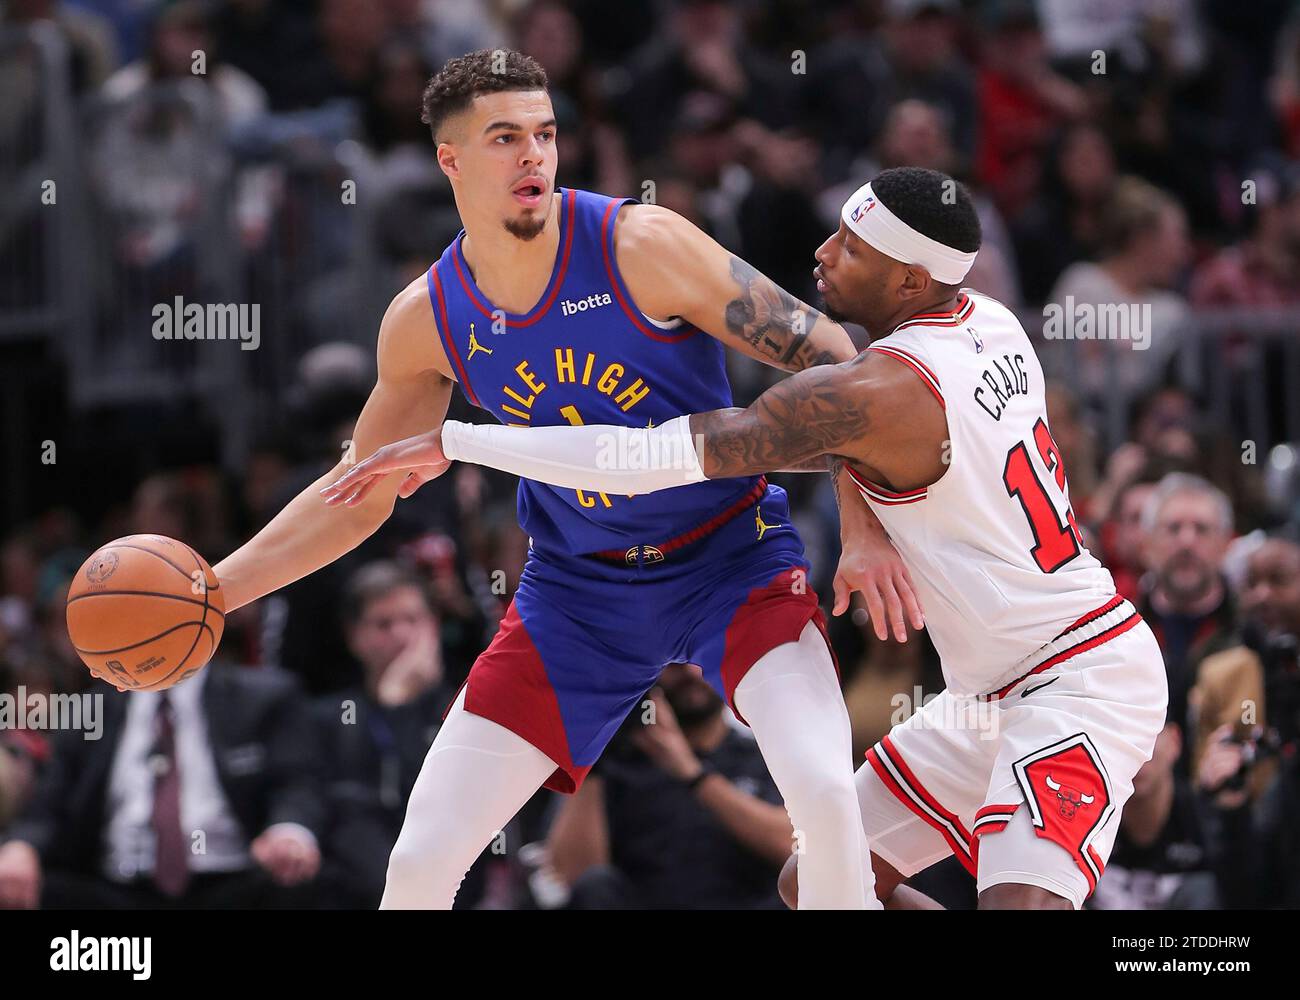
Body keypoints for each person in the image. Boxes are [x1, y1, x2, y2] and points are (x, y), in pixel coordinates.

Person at [332, 166, 1170, 910]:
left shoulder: (879, 393)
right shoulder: (985, 318)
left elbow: (641, 459)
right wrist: (865, 521)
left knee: (1021, 902)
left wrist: (459, 440)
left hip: (1077, 677)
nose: (824, 250)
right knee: (816, 882)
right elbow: (889, 449)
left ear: (911, 281)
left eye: (853, 246)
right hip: (986, 693)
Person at [217, 49, 920, 910]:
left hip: (728, 559)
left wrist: (865, 524)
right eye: (505, 138)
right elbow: (356, 494)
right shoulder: (426, 319)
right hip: (576, 597)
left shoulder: (641, 245)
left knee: (822, 791)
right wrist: (217, 589)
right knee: (420, 862)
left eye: (545, 135)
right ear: (451, 160)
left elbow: (837, 362)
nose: (533, 157)